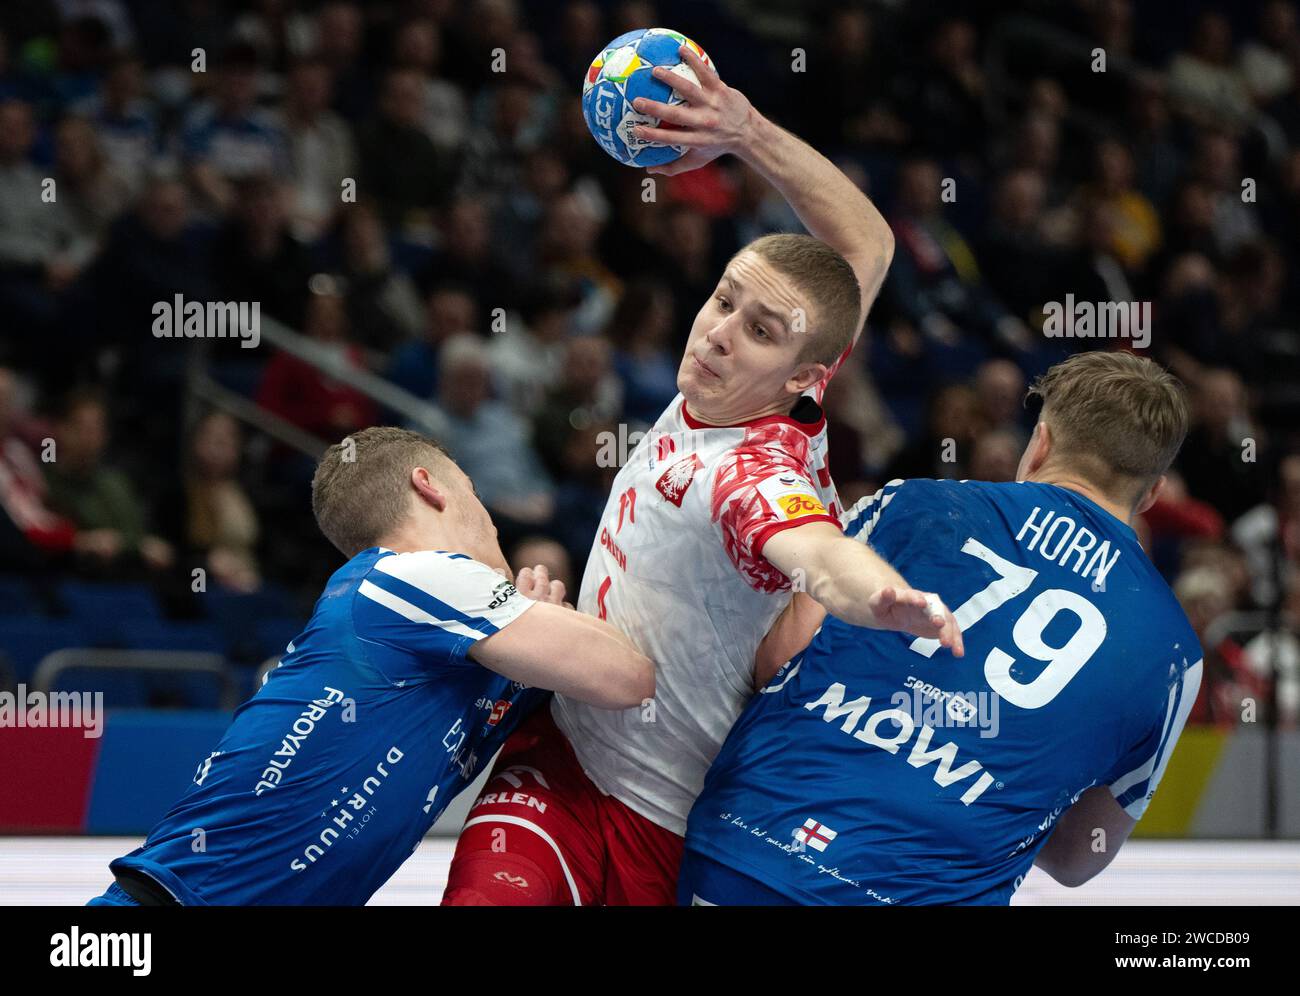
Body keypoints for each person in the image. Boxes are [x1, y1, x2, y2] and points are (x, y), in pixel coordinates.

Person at [441, 45, 961, 907]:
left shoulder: (754, 474)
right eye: (723, 301)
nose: (719, 334)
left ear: (805, 372)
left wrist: (881, 599)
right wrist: (744, 130)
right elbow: (866, 241)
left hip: (670, 826)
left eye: (759, 330)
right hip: (559, 767)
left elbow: (817, 553)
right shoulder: (784, 371)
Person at [679, 351, 1203, 905]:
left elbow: (776, 659)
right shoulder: (1175, 654)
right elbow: (1078, 860)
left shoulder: (916, 502)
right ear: (1151, 493)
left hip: (750, 851)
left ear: (1041, 443)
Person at [87, 427, 651, 905]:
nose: (493, 521)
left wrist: (539, 634)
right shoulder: (411, 577)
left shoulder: (429, 623)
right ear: (428, 487)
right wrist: (546, 623)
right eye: (474, 493)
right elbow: (629, 676)